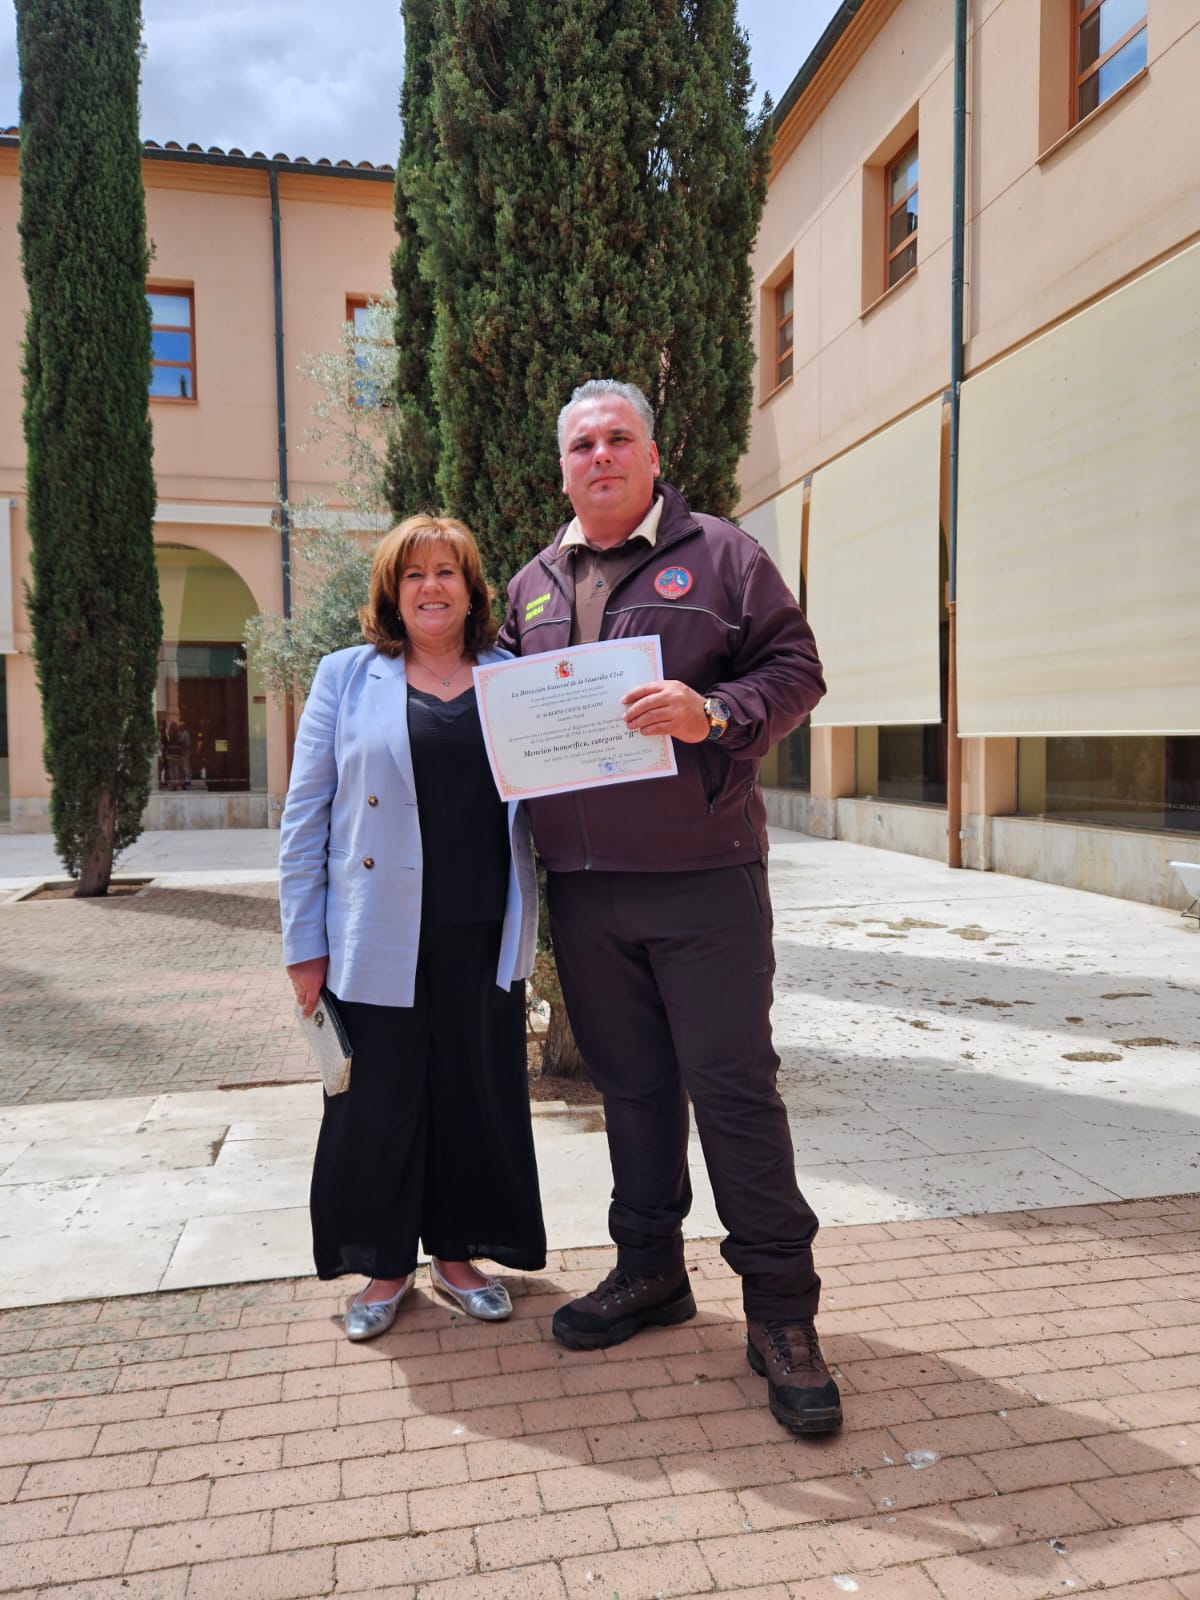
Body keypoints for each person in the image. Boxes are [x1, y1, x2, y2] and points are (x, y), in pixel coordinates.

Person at [498, 379, 841, 1435]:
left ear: (651, 453)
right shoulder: (533, 585)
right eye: (581, 444)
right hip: (589, 892)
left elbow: (799, 667)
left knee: (734, 1091)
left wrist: (715, 710)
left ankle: (782, 1315)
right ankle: (650, 1270)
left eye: (618, 438)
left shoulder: (725, 556)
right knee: (634, 1091)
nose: (600, 456)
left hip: (705, 880)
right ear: (562, 467)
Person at [280, 514, 546, 1341]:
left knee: (474, 1095)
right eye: (413, 574)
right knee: (377, 1104)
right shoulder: (344, 677)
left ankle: (458, 1256)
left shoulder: (515, 677)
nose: (432, 587)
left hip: (481, 926)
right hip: (373, 932)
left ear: (472, 590)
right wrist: (303, 945)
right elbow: (304, 815)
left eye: (448, 572)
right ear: (393, 594)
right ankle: (385, 1263)